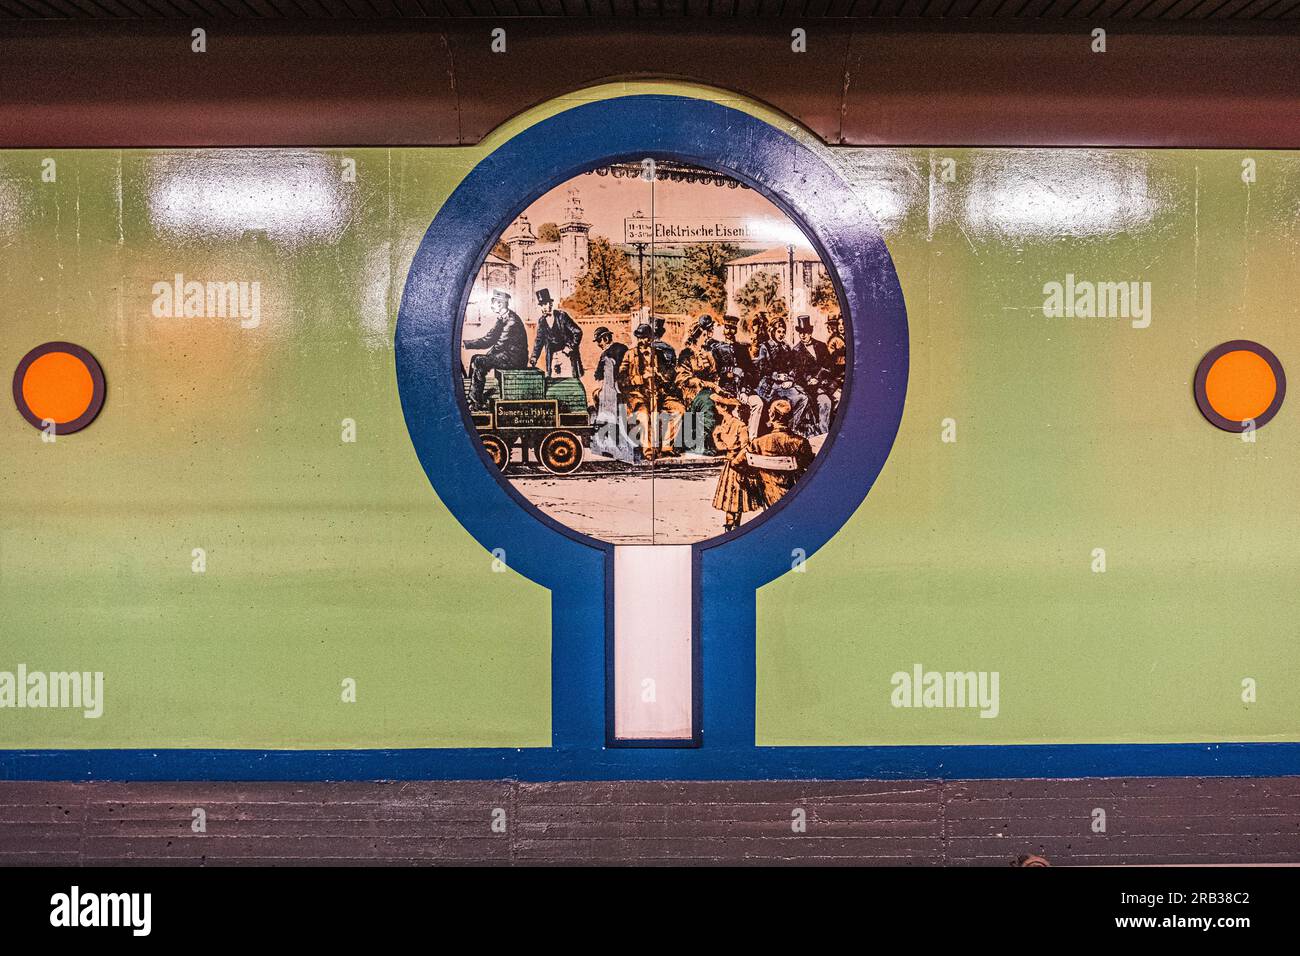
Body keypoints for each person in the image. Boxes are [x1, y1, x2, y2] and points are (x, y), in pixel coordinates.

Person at [618, 322, 685, 461]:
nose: (644, 341)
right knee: (644, 416)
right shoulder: (629, 355)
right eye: (641, 338)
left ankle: (666, 447)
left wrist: (661, 375)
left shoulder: (659, 354)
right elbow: (621, 380)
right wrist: (642, 378)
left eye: (647, 338)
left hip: (658, 395)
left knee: (679, 410)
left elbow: (669, 375)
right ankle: (649, 451)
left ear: (651, 339)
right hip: (637, 397)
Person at [736, 398, 813, 507]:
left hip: (769, 497)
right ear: (790, 418)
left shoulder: (758, 443)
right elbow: (812, 469)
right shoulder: (800, 442)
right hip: (796, 498)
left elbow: (736, 463)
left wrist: (756, 476)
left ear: (771, 416)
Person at [463, 288, 528, 407]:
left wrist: (486, 357)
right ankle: (474, 395)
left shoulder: (512, 321)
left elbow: (499, 344)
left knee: (479, 361)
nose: (492, 305)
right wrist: (467, 344)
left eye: (493, 302)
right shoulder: (502, 318)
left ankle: (475, 401)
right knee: (475, 358)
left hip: (515, 359)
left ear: (500, 304)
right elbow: (489, 339)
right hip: (506, 355)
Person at [710, 395, 763, 532]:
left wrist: (736, 462)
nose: (715, 407)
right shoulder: (723, 423)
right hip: (729, 465)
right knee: (728, 498)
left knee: (736, 497)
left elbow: (745, 447)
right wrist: (716, 437)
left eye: (717, 404)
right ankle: (729, 525)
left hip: (737, 465)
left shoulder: (740, 425)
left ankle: (734, 526)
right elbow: (722, 447)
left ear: (724, 407)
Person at [755, 316, 809, 436]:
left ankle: (791, 429)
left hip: (784, 385)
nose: (781, 335)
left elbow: (793, 367)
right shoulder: (765, 347)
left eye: (783, 332)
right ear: (773, 332)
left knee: (802, 398)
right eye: (779, 332)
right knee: (780, 402)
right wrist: (777, 376)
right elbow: (763, 368)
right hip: (769, 385)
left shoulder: (786, 347)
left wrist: (790, 380)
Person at [711, 314, 763, 439]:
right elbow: (716, 372)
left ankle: (752, 438)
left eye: (732, 328)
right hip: (726, 390)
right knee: (735, 413)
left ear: (736, 330)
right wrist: (731, 371)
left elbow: (750, 371)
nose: (730, 331)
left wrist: (744, 386)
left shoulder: (742, 349)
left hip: (743, 389)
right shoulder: (717, 349)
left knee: (758, 403)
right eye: (727, 328)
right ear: (723, 329)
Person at [675, 317, 722, 455]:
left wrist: (714, 385)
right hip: (691, 392)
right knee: (708, 402)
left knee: (715, 399)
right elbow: (682, 378)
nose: (706, 337)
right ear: (696, 337)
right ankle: (702, 444)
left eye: (707, 334)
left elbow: (714, 375)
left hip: (707, 390)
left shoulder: (708, 354)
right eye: (703, 335)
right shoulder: (686, 354)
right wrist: (705, 384)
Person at [591, 326, 634, 463]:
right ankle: (625, 451)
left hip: (610, 390)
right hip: (624, 390)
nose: (598, 344)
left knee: (611, 419)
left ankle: (613, 449)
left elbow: (598, 375)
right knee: (621, 421)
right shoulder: (623, 349)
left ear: (605, 339)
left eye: (599, 341)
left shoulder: (605, 355)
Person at [792, 314, 835, 436]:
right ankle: (823, 435)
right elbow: (798, 373)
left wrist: (818, 378)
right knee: (825, 402)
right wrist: (809, 379)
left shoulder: (821, 346)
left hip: (825, 384)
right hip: (808, 388)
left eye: (805, 332)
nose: (803, 335)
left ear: (810, 332)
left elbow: (829, 367)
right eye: (800, 332)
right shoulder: (796, 350)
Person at [530, 288, 583, 378]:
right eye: (541, 305)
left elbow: (577, 332)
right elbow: (539, 341)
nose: (543, 307)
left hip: (566, 356)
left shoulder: (562, 316)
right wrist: (534, 357)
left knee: (569, 382)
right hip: (553, 357)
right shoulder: (542, 321)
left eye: (545, 304)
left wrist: (569, 347)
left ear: (550, 304)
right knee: (554, 383)